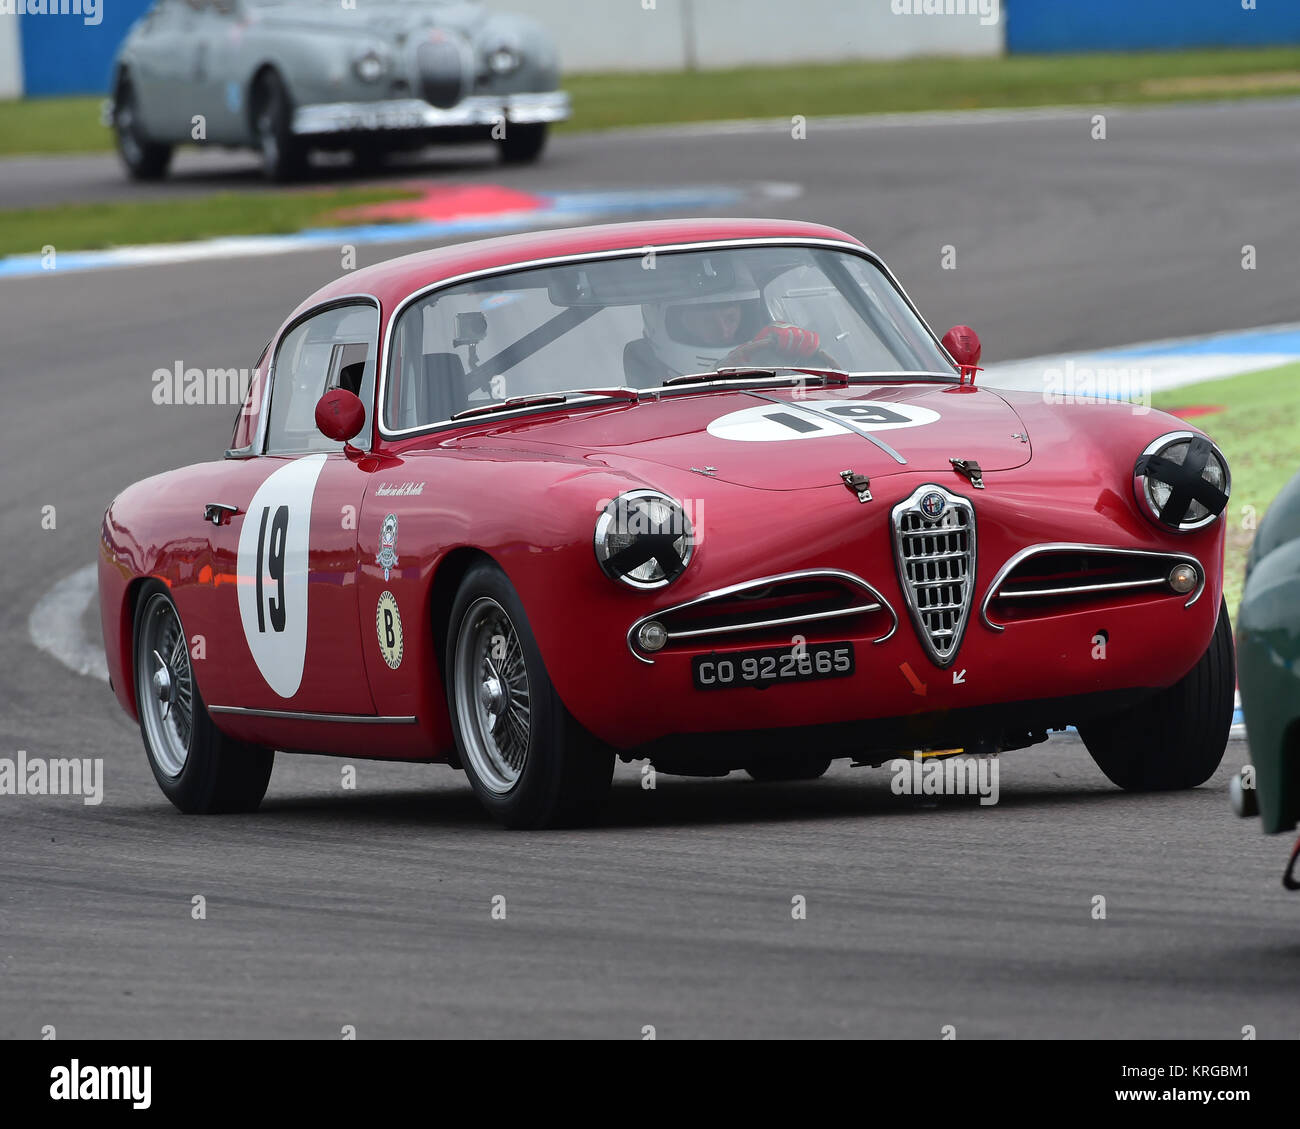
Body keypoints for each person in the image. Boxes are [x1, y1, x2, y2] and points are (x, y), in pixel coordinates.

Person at [623, 271, 823, 384]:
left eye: (731, 319)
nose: (724, 332)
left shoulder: (763, 355)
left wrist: (791, 354)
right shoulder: (646, 380)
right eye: (707, 322)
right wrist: (729, 365)